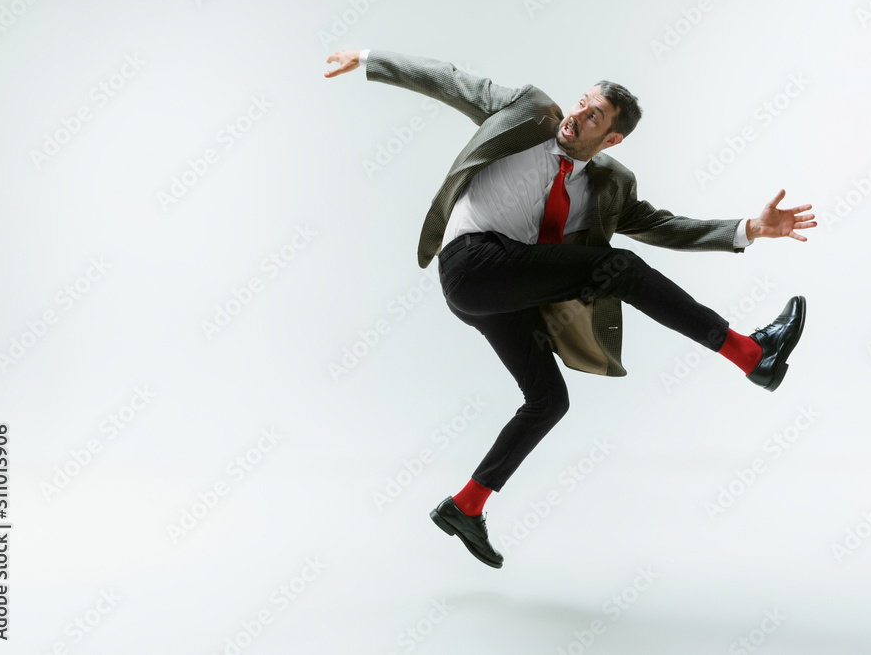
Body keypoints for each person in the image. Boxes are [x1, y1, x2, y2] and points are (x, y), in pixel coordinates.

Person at [325, 48, 815, 569]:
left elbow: (664, 225)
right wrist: (368, 57)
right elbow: (450, 80)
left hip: (501, 290)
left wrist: (748, 229)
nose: (575, 115)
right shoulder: (527, 110)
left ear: (611, 139)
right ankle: (750, 355)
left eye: (593, 116)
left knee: (548, 399)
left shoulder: (609, 184)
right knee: (618, 267)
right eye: (581, 103)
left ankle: (466, 507)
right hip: (469, 262)